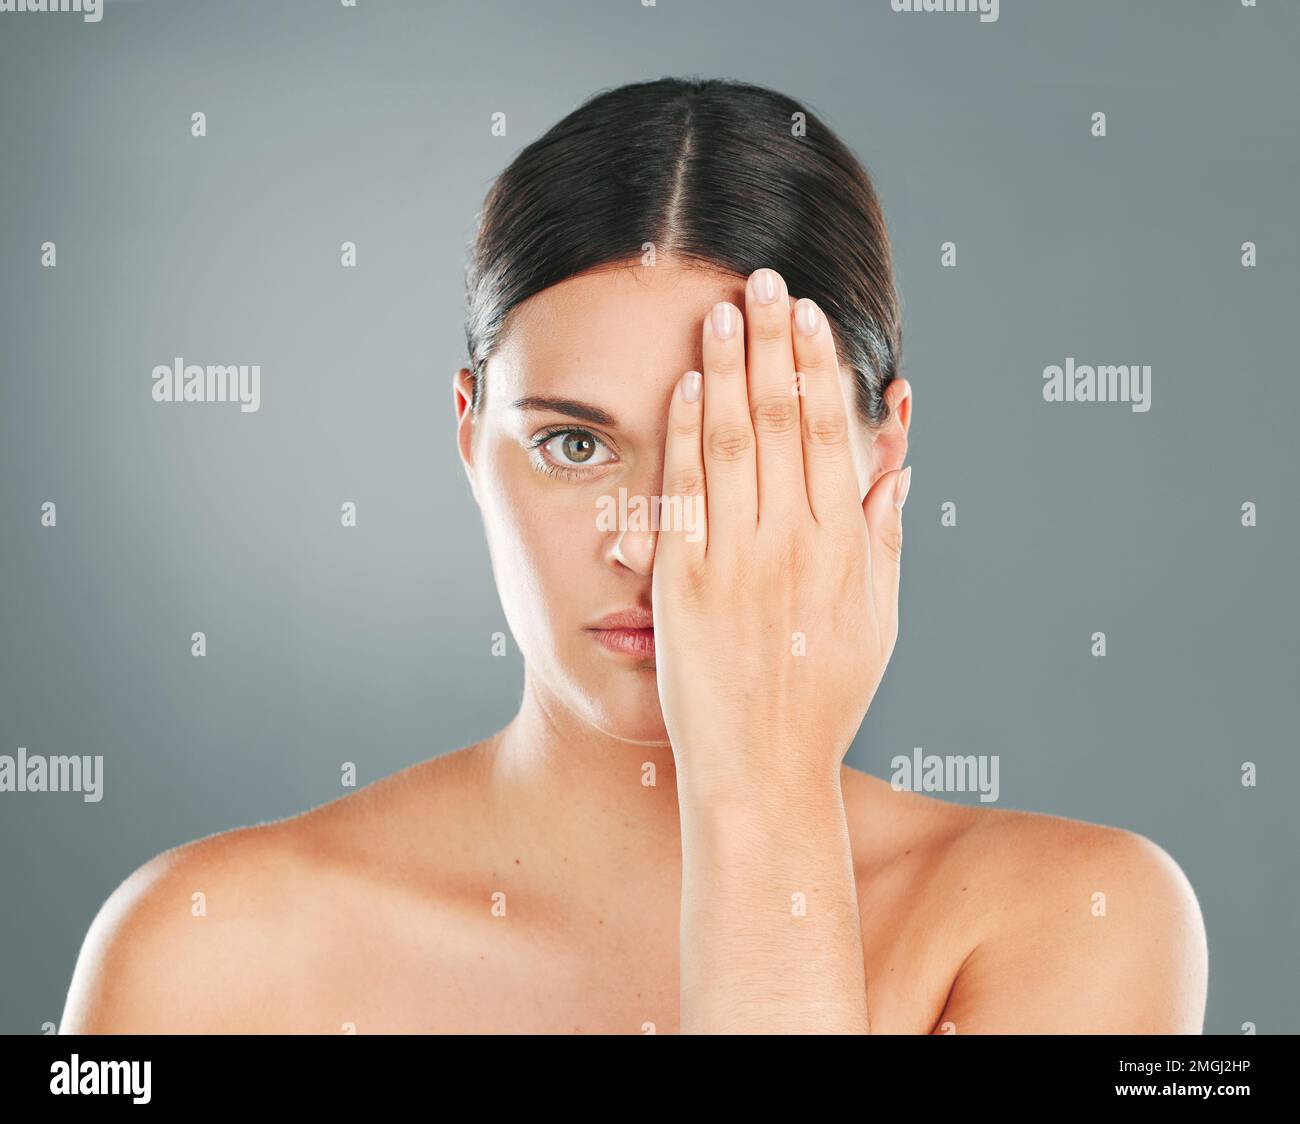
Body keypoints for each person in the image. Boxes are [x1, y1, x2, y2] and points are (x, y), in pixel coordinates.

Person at [60, 77, 1207, 1034]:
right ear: (469, 434)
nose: (652, 541)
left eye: (737, 446)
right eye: (573, 443)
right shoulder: (203, 954)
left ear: (881, 450)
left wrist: (762, 791)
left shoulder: (1085, 916)